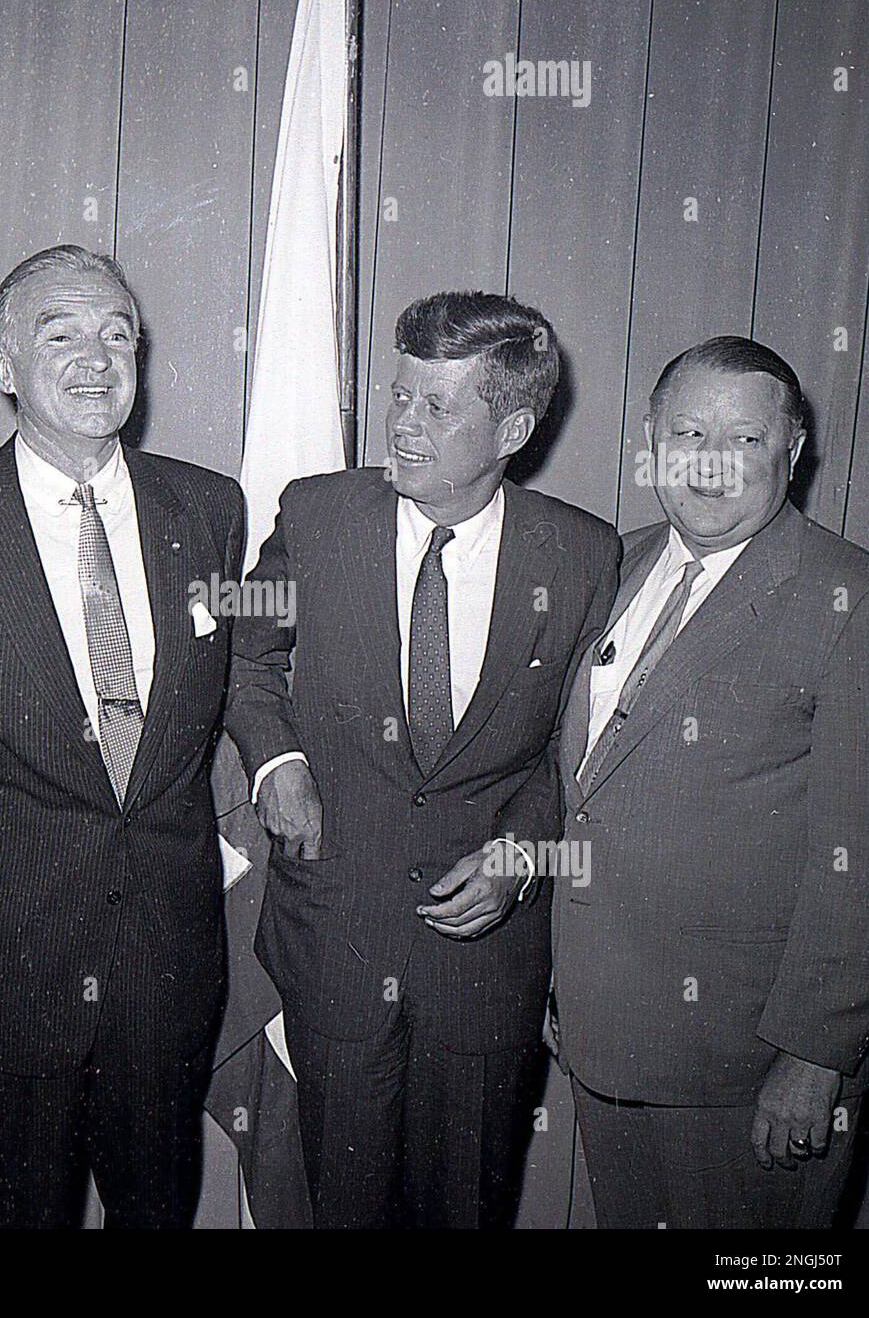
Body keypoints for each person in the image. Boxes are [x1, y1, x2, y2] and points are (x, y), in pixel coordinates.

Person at [225, 290, 621, 1227]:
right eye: (399, 395)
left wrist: (522, 856)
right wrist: (278, 762)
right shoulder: (318, 515)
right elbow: (246, 653)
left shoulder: (581, 554)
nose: (402, 424)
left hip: (481, 969)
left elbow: (581, 748)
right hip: (338, 941)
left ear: (512, 427)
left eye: (437, 408)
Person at [0, 244, 245, 1228]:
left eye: (117, 333)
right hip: (9, 967)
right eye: (61, 333)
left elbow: (236, 671)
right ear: (2, 366)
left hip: (169, 956)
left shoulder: (209, 507)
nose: (97, 357)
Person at [552, 336, 869, 1228]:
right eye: (689, 429)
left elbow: (866, 858)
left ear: (795, 447)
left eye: (743, 439)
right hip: (601, 1040)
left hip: (748, 1070)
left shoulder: (856, 600)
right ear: (652, 437)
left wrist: (816, 1057)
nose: (708, 460)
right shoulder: (612, 566)